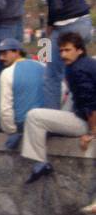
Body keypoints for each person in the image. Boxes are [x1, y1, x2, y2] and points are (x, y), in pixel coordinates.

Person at [21, 33, 96, 185]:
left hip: (85, 122)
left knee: (34, 116)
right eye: (61, 51)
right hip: (82, 114)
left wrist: (92, 133)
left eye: (67, 50)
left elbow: (90, 103)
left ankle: (41, 162)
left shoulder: (77, 70)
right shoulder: (86, 64)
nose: (63, 54)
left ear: (80, 50)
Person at [29, 0, 92, 110]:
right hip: (80, 23)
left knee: (51, 74)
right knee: (72, 71)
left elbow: (56, 4)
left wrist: (48, 26)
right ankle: (76, 114)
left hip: (70, 25)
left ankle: (53, 117)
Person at [0, 38, 45, 153]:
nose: (1, 58)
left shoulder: (6, 73)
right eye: (0, 54)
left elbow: (5, 109)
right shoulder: (42, 66)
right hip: (43, 123)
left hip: (22, 125)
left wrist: (12, 131)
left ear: (17, 52)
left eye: (5, 53)